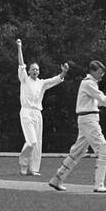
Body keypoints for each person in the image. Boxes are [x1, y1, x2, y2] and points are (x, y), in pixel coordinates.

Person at [48, 60, 106, 193]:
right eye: (100, 73)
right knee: (103, 149)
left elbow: (99, 103)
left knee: (78, 151)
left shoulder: (90, 84)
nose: (102, 76)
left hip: (86, 119)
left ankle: (57, 179)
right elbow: (103, 99)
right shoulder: (89, 83)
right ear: (92, 71)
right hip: (89, 121)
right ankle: (98, 184)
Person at [15, 37, 69, 176]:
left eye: (37, 70)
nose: (35, 71)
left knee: (37, 143)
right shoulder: (24, 79)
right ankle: (23, 164)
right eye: (33, 69)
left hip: (37, 113)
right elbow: (21, 64)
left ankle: (33, 169)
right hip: (26, 112)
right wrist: (19, 47)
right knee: (31, 141)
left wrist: (64, 72)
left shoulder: (41, 83)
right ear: (29, 71)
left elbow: (55, 80)